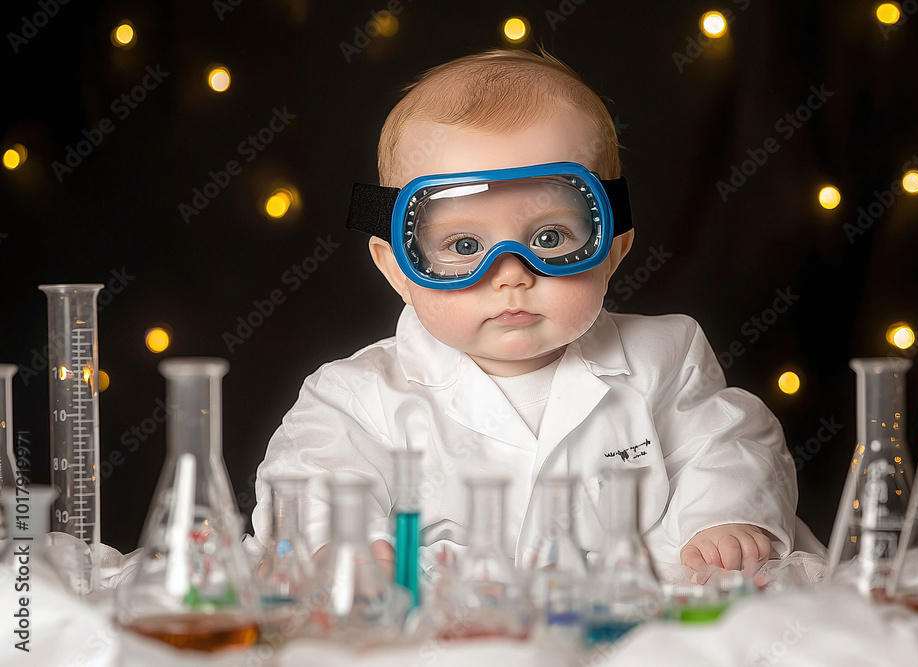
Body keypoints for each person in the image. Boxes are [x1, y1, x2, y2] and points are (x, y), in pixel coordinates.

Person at [250, 48, 799, 579]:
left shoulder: (666, 356)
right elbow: (308, 479)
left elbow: (730, 444)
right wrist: (341, 543)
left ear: (612, 247)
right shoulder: (355, 396)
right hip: (444, 623)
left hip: (634, 611)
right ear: (397, 267)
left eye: (549, 236)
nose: (510, 271)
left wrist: (725, 520)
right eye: (465, 246)